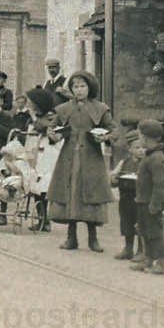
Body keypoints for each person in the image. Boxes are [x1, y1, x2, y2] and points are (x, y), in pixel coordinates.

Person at [49, 71, 115, 252]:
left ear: (89, 88)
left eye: (82, 86)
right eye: (75, 87)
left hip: (91, 159)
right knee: (70, 194)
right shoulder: (64, 108)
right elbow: (52, 127)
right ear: (71, 89)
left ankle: (93, 238)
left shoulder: (100, 108)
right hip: (68, 158)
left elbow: (114, 130)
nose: (79, 90)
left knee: (91, 195)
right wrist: (53, 134)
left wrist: (105, 137)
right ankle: (71, 237)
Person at [129, 120, 164, 274]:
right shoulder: (150, 155)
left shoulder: (157, 159)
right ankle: (148, 258)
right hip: (142, 201)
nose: (139, 139)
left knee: (155, 233)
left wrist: (156, 205)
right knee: (144, 231)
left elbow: (160, 186)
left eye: (139, 135)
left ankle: (161, 262)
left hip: (151, 203)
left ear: (146, 138)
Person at [23, 87, 59, 232]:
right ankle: (41, 218)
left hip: (46, 155)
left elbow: (41, 126)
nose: (28, 106)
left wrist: (33, 116)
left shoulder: (50, 117)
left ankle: (44, 220)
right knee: (35, 185)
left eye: (31, 103)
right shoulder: (34, 118)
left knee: (42, 186)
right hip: (35, 153)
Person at [109, 122, 144, 261]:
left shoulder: (146, 162)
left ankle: (141, 250)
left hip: (139, 198)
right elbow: (113, 179)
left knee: (140, 223)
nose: (141, 150)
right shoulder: (124, 162)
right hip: (125, 198)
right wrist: (115, 179)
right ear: (130, 149)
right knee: (127, 222)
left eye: (143, 147)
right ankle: (128, 248)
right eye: (137, 147)